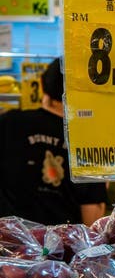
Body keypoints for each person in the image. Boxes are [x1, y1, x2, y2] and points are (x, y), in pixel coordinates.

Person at [0, 57, 107, 226]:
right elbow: (92, 219)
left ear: (43, 86)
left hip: (9, 243)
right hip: (61, 247)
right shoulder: (87, 141)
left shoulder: (8, 123)